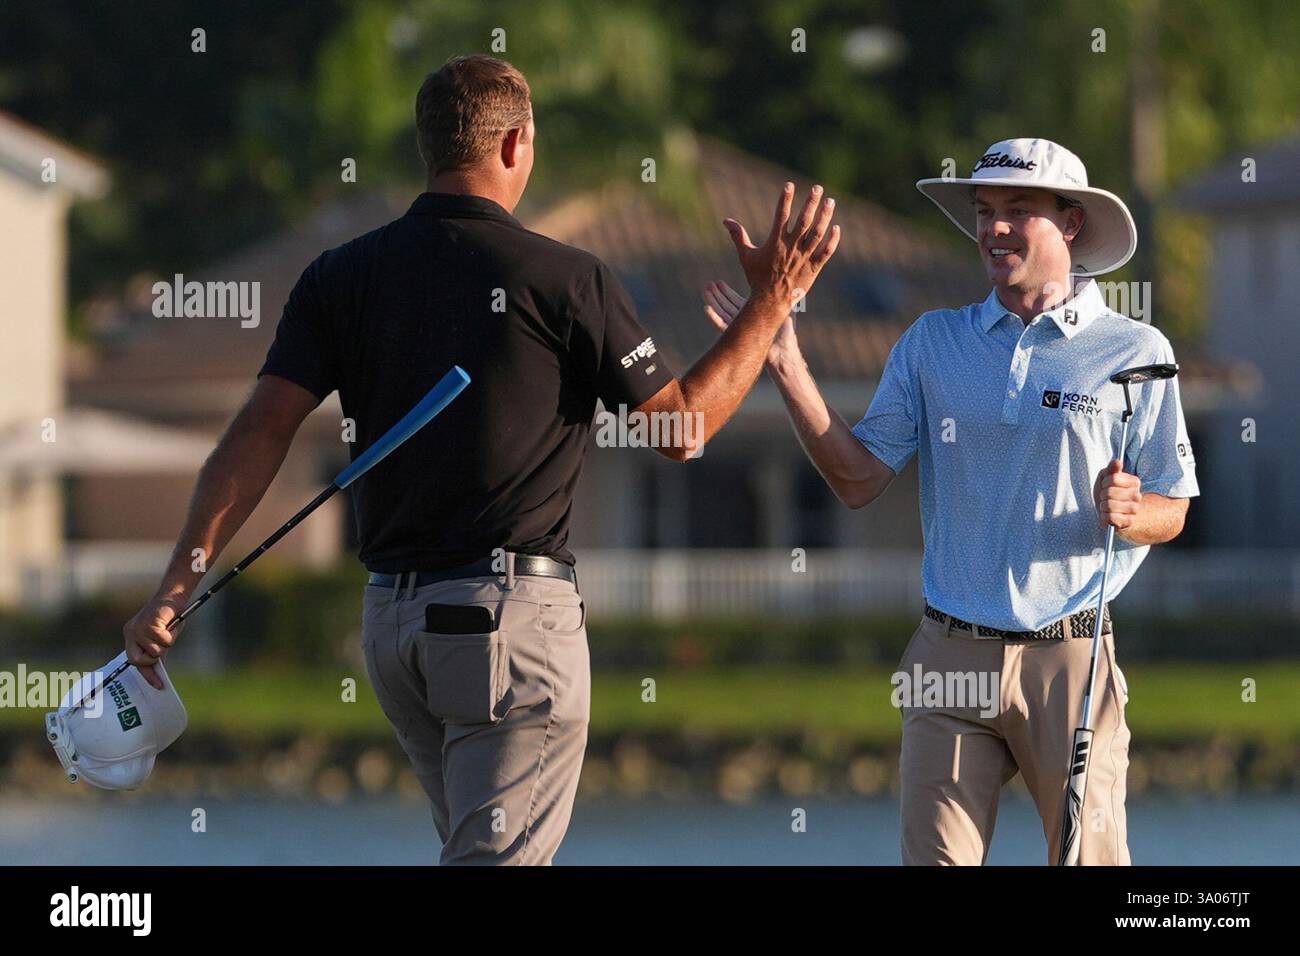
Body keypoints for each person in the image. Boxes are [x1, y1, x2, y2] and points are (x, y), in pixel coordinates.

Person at [122, 54, 839, 865]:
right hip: (504, 631)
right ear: (516, 145)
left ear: (428, 146)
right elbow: (681, 430)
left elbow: (256, 434)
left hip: (395, 632)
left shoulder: (339, 276)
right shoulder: (566, 279)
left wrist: (173, 589)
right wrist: (772, 302)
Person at [703, 138, 1198, 865]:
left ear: (1070, 225)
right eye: (984, 212)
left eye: (1017, 211)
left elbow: (1174, 508)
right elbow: (860, 479)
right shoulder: (932, 342)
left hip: (1071, 655)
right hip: (947, 653)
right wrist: (785, 362)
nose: (994, 229)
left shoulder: (1136, 348)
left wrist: (1133, 510)